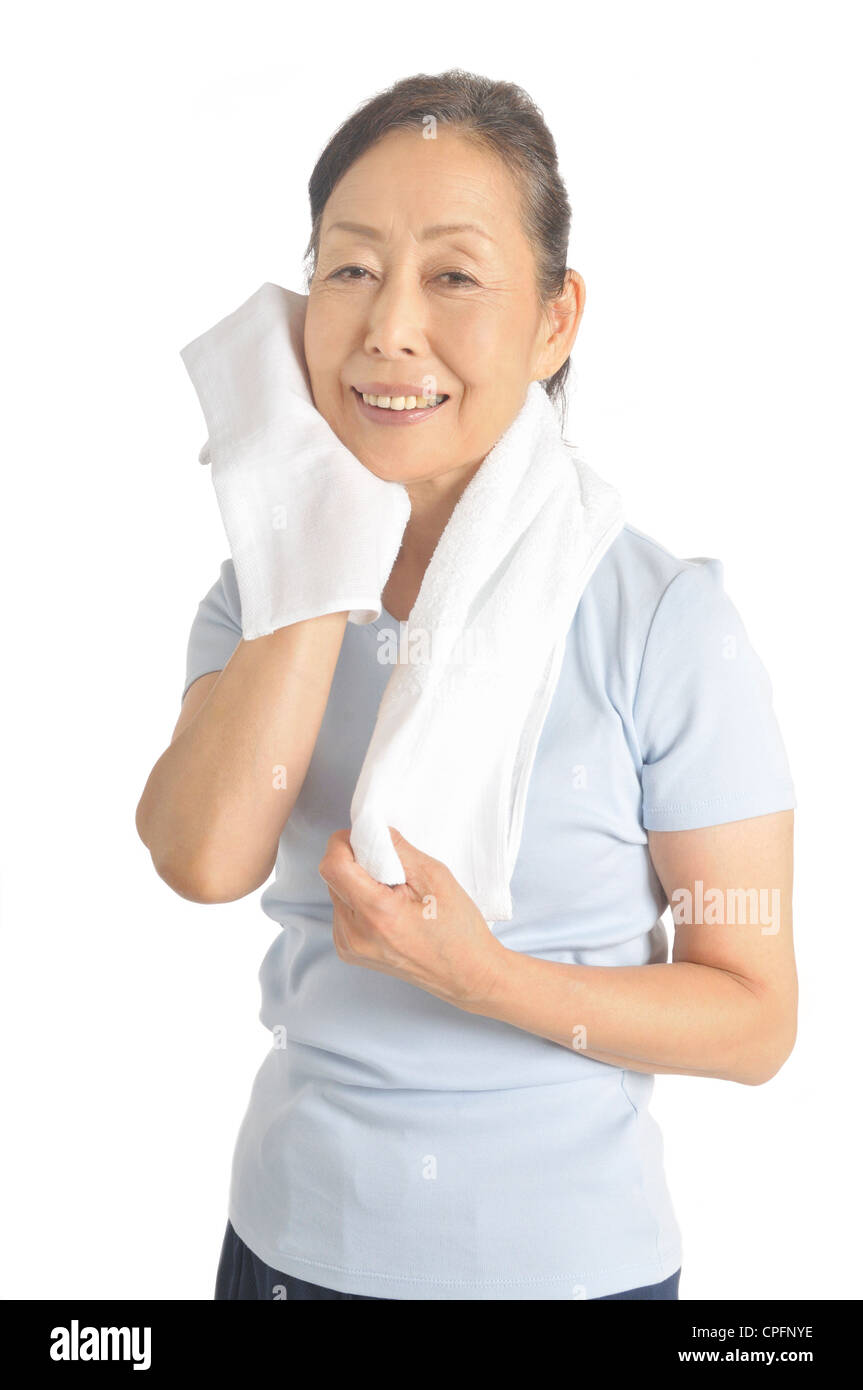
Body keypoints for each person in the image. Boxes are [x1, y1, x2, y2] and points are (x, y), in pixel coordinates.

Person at [136, 70, 797, 1301]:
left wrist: (479, 976)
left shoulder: (661, 620)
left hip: (573, 1276)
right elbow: (201, 858)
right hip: (289, 1255)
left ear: (554, 321)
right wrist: (313, 535)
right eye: (348, 269)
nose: (389, 326)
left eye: (452, 275)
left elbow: (754, 1017)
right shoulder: (263, 595)